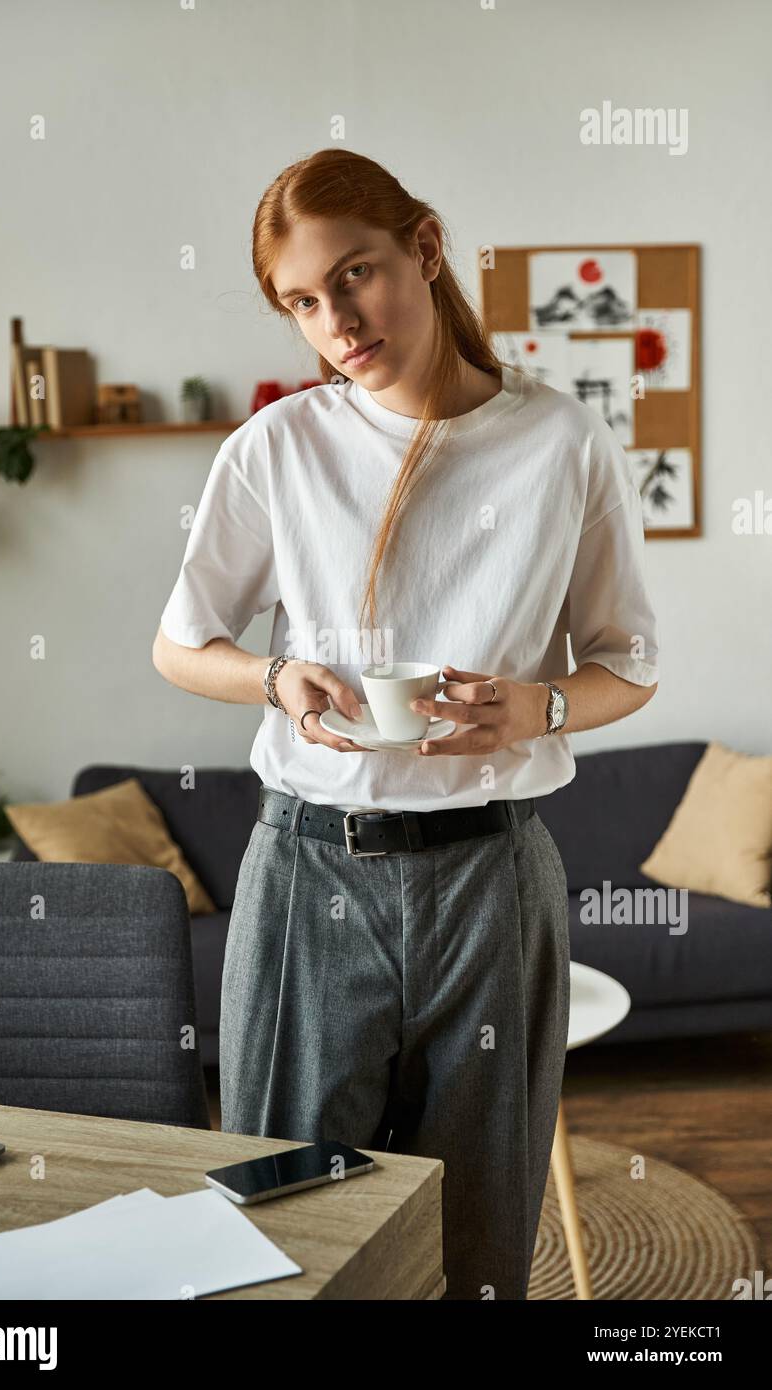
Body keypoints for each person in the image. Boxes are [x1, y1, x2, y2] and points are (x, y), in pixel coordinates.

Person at [153, 148, 659, 1300]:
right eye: (299, 301)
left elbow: (628, 663)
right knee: (289, 1227)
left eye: (355, 274)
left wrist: (536, 706)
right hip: (308, 876)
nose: (333, 320)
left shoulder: (562, 442)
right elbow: (181, 644)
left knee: (481, 1243)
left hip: (493, 877)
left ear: (425, 248)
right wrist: (278, 677)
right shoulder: (277, 450)